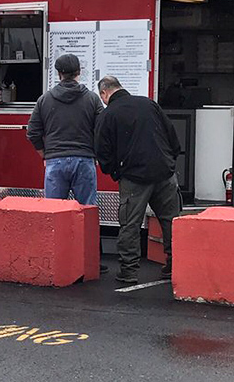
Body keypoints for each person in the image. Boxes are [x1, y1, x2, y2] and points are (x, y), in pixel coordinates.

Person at [95, 75, 182, 286]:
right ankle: (175, 265)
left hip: (133, 178)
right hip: (164, 172)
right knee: (171, 220)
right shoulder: (148, 104)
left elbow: (102, 152)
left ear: (104, 93)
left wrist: (116, 172)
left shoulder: (108, 115)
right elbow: (171, 135)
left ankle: (129, 271)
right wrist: (170, 160)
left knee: (130, 224)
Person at [27, 53, 103, 206]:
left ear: (59, 73)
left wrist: (44, 155)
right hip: (84, 160)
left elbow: (32, 132)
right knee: (87, 211)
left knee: (54, 213)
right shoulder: (92, 99)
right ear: (79, 72)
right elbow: (103, 129)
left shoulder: (44, 99)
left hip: (55, 161)